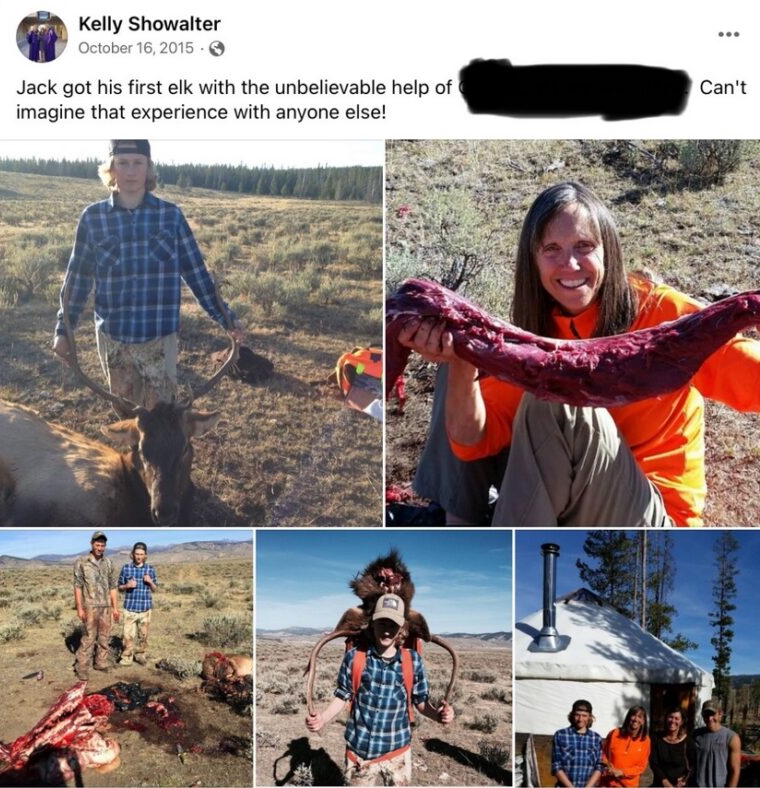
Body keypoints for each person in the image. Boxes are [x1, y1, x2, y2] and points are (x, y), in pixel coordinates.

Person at [400, 181, 760, 527]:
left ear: (609, 251)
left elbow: (750, 374)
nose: (569, 265)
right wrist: (462, 363)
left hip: (649, 513)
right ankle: (460, 527)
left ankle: (505, 556)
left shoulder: (662, 314)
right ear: (534, 261)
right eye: (552, 249)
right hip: (572, 488)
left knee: (559, 391)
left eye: (584, 246)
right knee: (469, 352)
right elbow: (474, 442)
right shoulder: (536, 335)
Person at [53, 139, 244, 410]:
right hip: (114, 340)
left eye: (138, 163)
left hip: (159, 340)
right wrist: (64, 330)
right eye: (123, 163)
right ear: (112, 169)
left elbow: (197, 275)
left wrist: (227, 320)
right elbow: (77, 281)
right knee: (127, 417)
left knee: (163, 416)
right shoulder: (93, 219)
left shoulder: (171, 217)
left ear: (148, 169)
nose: (131, 171)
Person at [304, 593, 454, 786]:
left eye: (392, 624)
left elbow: (421, 702)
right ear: (372, 624)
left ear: (402, 628)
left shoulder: (412, 660)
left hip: (397, 753)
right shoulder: (354, 657)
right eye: (382, 623)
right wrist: (322, 719)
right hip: (359, 752)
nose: (386, 630)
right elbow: (343, 696)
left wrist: (439, 715)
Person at [73, 531, 119, 680]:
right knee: (89, 637)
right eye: (97, 545)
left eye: (103, 545)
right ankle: (82, 667)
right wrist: (79, 608)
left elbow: (113, 586)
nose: (100, 548)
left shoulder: (109, 563)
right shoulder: (82, 562)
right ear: (92, 544)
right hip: (90, 606)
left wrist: (115, 608)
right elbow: (78, 586)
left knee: (105, 637)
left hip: (105, 606)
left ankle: (101, 662)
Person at [117, 541, 157, 666]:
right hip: (130, 608)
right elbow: (119, 587)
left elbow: (155, 588)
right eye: (137, 554)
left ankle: (140, 656)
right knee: (127, 635)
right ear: (133, 554)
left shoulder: (150, 569)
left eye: (141, 554)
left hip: (145, 609)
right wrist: (127, 585)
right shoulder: (126, 568)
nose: (139, 556)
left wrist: (150, 581)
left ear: (145, 555)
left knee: (143, 636)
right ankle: (127, 658)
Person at [551, 699, 604, 787]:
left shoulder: (596, 738)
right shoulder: (561, 735)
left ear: (590, 717)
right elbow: (556, 765)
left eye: (584, 716)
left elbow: (599, 766)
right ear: (572, 715)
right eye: (577, 715)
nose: (580, 719)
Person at [692, 699, 741, 788]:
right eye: (706, 714)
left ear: (720, 714)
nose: (710, 718)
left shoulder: (731, 737)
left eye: (713, 714)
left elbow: (735, 770)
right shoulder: (695, 735)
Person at [601, 706, 651, 787]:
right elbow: (603, 753)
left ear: (643, 721)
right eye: (633, 715)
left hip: (629, 785)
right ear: (628, 717)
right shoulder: (614, 733)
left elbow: (641, 767)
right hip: (608, 783)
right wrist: (609, 766)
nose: (635, 719)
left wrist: (622, 772)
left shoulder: (646, 740)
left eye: (639, 717)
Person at [649, 706, 696, 788]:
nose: (673, 721)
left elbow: (694, 765)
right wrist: (664, 781)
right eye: (670, 717)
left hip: (679, 785)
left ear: (681, 722)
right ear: (666, 718)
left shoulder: (688, 742)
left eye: (676, 718)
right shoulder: (656, 738)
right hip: (659, 784)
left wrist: (685, 779)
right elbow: (654, 763)